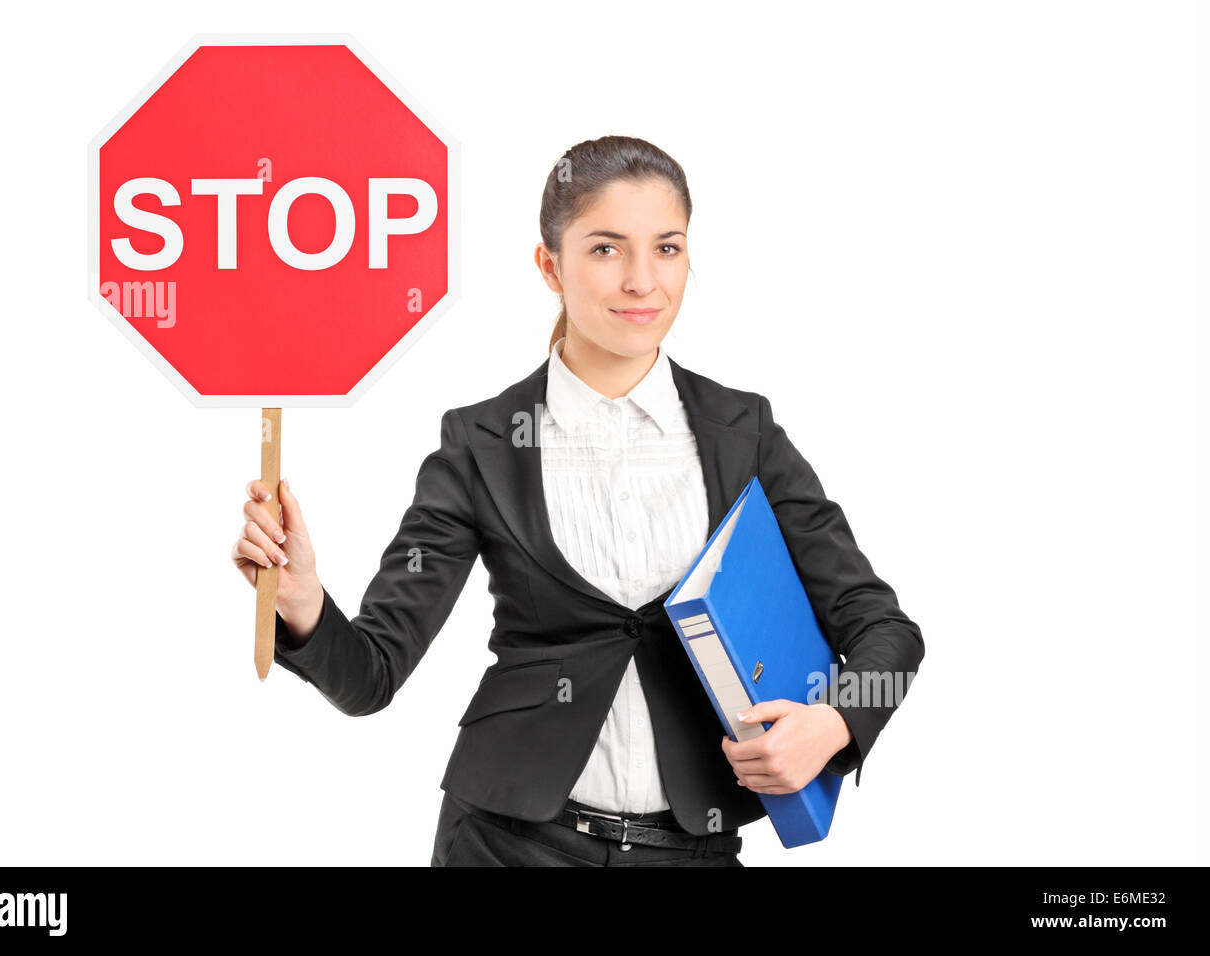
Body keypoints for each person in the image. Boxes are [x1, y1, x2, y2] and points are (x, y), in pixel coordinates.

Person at [230, 135, 925, 867]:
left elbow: (886, 631)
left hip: (692, 849)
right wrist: (303, 599)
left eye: (667, 248)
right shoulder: (482, 442)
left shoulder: (742, 431)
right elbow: (371, 675)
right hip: (506, 845)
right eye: (604, 249)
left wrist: (833, 725)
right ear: (549, 265)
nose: (641, 280)